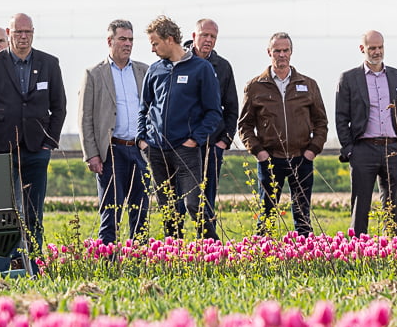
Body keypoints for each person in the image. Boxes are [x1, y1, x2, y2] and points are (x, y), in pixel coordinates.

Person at [0, 13, 66, 262]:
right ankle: (6, 262)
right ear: (9, 33)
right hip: (3, 148)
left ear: (33, 33)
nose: (23, 37)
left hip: (37, 148)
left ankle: (33, 261)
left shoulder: (49, 63)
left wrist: (50, 141)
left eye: (28, 32)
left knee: (33, 210)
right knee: (5, 210)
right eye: (18, 32)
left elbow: (59, 107)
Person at [136, 15, 222, 232]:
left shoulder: (200, 69)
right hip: (156, 151)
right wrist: (142, 140)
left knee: (195, 205)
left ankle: (215, 254)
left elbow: (214, 112)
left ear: (170, 39)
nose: (153, 49)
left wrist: (195, 140)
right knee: (168, 211)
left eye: (155, 43)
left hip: (186, 150)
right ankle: (173, 258)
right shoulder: (155, 70)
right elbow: (143, 108)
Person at [239, 32, 328, 237]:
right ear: (269, 52)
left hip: (301, 158)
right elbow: (244, 126)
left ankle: (305, 258)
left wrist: (312, 151)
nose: (281, 55)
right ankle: (263, 257)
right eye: (277, 51)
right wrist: (259, 153)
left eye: (285, 50)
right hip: (270, 160)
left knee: (302, 215)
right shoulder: (255, 87)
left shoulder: (308, 84)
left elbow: (321, 122)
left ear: (291, 52)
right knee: (267, 215)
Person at [335, 30, 397, 236]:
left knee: (392, 207)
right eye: (372, 48)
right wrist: (350, 150)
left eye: (380, 47)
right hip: (363, 150)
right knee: (361, 207)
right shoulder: (349, 78)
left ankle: (393, 251)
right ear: (363, 49)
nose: (377, 52)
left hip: (393, 150)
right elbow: (341, 117)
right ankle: (358, 252)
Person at [80, 20, 150, 244]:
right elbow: (85, 117)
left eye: (130, 39)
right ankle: (109, 263)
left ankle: (138, 260)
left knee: (141, 211)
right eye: (122, 39)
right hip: (111, 150)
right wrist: (91, 154)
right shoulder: (94, 74)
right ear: (110, 41)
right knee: (111, 211)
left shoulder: (143, 71)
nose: (127, 44)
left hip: (139, 150)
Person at [186, 19, 236, 239]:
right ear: (194, 35)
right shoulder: (179, 61)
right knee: (183, 200)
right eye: (204, 35)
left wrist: (224, 140)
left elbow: (232, 106)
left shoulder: (222, 67)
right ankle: (177, 245)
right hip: (183, 144)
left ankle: (207, 244)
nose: (208, 40)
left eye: (212, 37)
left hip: (211, 145)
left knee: (207, 198)